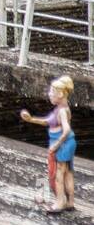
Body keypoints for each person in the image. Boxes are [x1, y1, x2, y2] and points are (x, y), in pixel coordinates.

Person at [21, 76, 78, 214]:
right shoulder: (60, 108)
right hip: (67, 143)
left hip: (63, 144)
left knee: (58, 174)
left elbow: (66, 130)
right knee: (68, 173)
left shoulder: (63, 111)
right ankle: (70, 201)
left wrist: (56, 145)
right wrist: (31, 119)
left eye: (52, 92)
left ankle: (59, 203)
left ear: (60, 94)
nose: (49, 94)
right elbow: (48, 122)